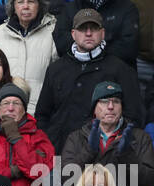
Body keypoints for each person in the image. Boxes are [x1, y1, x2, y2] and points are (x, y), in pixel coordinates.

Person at [38, 16, 143, 149]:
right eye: (82, 29)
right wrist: (47, 144)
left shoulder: (120, 69)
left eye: (93, 28)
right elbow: (42, 114)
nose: (88, 33)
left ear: (103, 33)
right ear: (73, 34)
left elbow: (133, 115)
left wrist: (114, 146)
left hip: (103, 155)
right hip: (59, 150)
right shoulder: (56, 69)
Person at [0, 0, 59, 113]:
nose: (25, 6)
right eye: (20, 2)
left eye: (31, 1)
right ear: (13, 6)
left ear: (40, 5)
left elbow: (60, 76)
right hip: (4, 110)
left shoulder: (53, 31)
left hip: (40, 111)